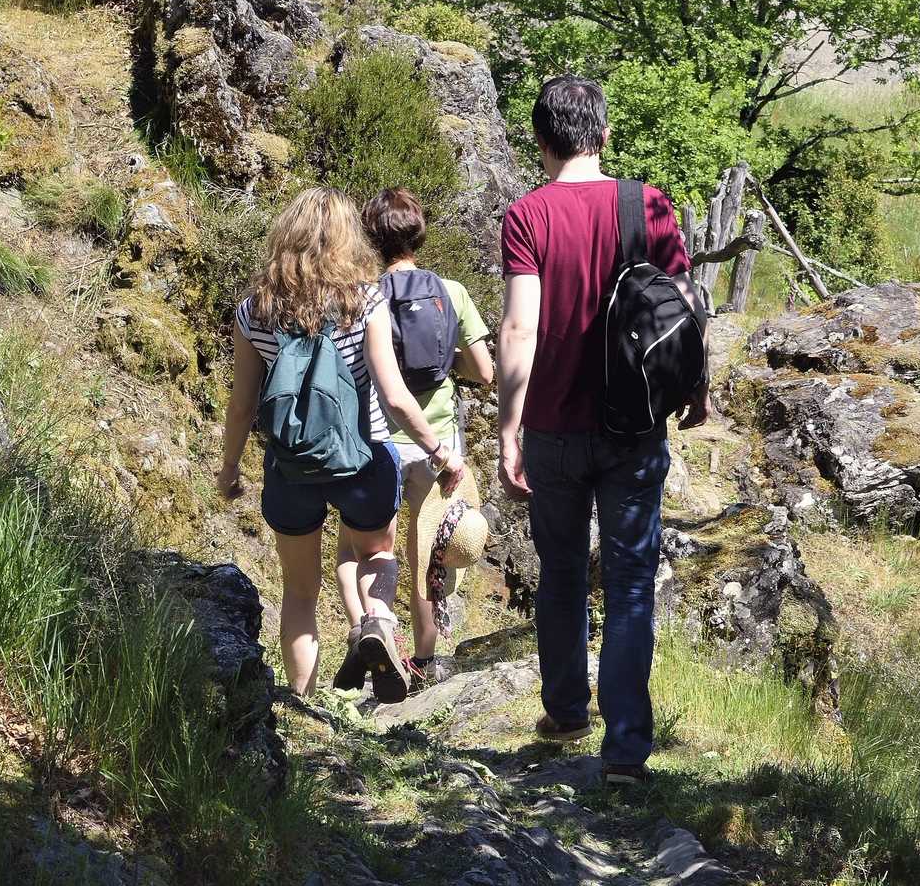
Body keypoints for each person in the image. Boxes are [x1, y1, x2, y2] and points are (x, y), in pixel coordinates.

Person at [497, 75, 708, 776]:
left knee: (560, 573)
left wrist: (507, 427)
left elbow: (519, 328)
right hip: (634, 426)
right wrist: (697, 387)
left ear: (540, 139)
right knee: (631, 583)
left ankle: (565, 711)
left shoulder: (527, 216)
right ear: (604, 135)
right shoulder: (646, 204)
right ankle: (625, 750)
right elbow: (683, 305)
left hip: (552, 428)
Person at [219, 186, 466, 701]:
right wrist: (438, 450)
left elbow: (241, 406)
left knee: (299, 591)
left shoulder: (252, 312)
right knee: (376, 555)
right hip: (363, 457)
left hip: (290, 466)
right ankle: (375, 620)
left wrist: (230, 468)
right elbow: (394, 396)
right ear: (348, 238)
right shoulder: (365, 300)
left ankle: (302, 704)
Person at [333, 187, 494, 678]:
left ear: (370, 238)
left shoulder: (360, 297)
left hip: (376, 440)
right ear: (419, 234)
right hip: (437, 444)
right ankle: (423, 659)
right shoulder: (452, 292)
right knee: (429, 553)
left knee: (355, 549)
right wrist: (447, 362)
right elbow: (485, 371)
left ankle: (369, 632)